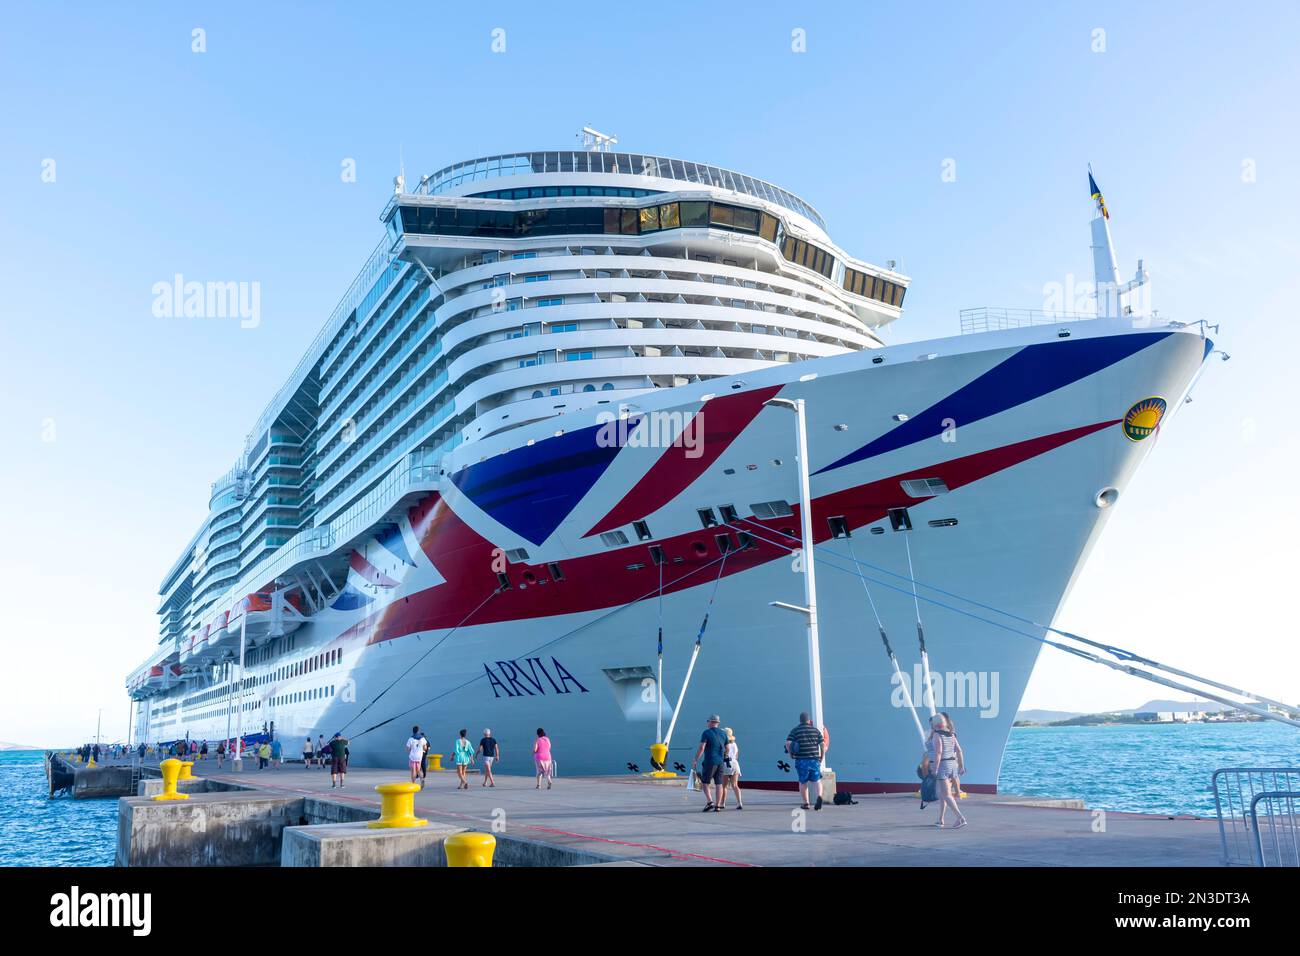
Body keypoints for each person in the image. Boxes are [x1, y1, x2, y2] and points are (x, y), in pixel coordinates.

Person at [927, 714, 967, 829]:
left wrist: (935, 768)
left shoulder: (937, 735)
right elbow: (959, 751)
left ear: (934, 724)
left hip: (943, 765)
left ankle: (960, 818)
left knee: (946, 795)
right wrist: (961, 766)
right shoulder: (951, 734)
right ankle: (940, 819)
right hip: (952, 764)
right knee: (942, 794)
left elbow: (938, 753)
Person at [785, 711, 826, 811]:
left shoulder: (795, 730)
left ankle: (806, 803)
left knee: (803, 782)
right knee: (817, 780)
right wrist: (821, 757)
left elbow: (788, 743)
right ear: (809, 720)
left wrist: (791, 754)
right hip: (814, 760)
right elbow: (822, 745)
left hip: (801, 760)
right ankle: (819, 796)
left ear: (800, 720)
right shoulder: (815, 730)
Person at [692, 715, 728, 812]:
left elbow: (702, 748)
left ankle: (710, 801)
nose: (707, 723)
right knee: (719, 784)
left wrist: (696, 759)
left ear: (711, 722)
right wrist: (723, 756)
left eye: (708, 721)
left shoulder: (706, 733)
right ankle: (718, 806)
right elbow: (727, 748)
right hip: (720, 762)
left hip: (710, 761)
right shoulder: (723, 734)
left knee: (705, 782)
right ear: (717, 723)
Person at [718, 727, 744, 810]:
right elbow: (736, 755)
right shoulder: (735, 744)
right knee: (735, 785)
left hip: (726, 764)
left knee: (724, 786)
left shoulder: (724, 744)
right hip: (735, 764)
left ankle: (722, 803)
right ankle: (739, 802)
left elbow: (722, 754)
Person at [940, 712, 965, 798]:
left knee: (950, 775)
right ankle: (957, 791)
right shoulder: (950, 727)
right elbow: (959, 750)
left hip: (948, 755)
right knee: (954, 775)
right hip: (952, 755)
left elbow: (958, 749)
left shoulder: (944, 729)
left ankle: (951, 791)